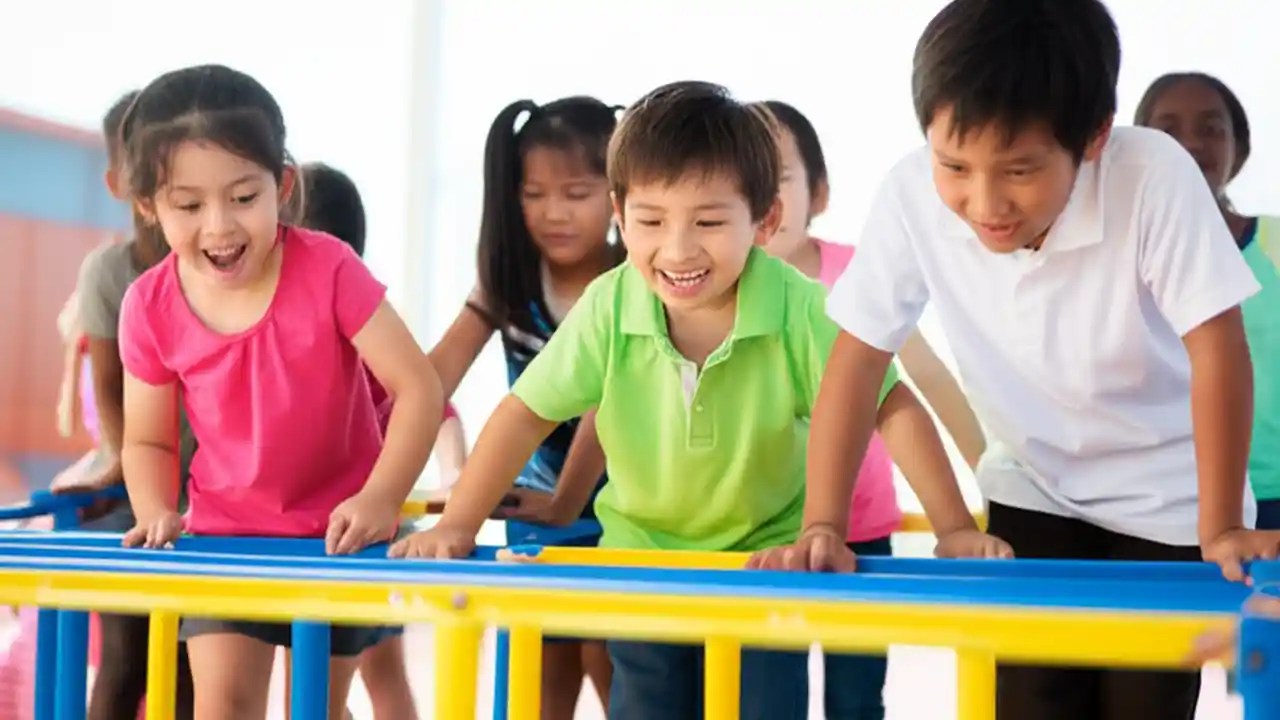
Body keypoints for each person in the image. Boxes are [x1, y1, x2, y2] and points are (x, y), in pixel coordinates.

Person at [391, 80, 1008, 720]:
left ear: (764, 220)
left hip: (766, 566)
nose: (678, 249)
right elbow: (524, 413)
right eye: (651, 221)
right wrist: (458, 524)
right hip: (641, 564)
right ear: (620, 213)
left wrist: (955, 528)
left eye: (709, 222)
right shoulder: (610, 305)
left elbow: (890, 405)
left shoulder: (800, 307)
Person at [756, 1, 1280, 718]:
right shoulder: (911, 194)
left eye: (1020, 169)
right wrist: (823, 522)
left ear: (1093, 138)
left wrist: (1219, 524)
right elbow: (857, 360)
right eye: (954, 165)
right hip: (1035, 484)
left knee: (1141, 702)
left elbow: (1217, 345)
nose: (985, 201)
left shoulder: (1152, 175)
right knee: (1031, 698)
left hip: (1169, 497)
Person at [116, 64, 443, 719]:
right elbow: (148, 440)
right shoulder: (148, 306)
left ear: (282, 186)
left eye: (243, 197)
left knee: (314, 707)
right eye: (189, 206)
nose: (220, 227)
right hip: (224, 539)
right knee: (223, 706)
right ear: (149, 206)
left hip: (338, 540)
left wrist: (380, 498)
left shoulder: (329, 268)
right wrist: (154, 509)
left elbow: (419, 389)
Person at [759, 98, 987, 720]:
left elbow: (924, 375)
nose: (763, 199)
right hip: (769, 528)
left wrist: (986, 469)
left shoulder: (854, 270)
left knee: (857, 692)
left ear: (819, 192)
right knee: (768, 690)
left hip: (861, 521)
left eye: (777, 177)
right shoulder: (720, 289)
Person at [425, 96, 623, 718]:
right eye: (533, 194)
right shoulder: (507, 282)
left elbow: (605, 407)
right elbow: (429, 382)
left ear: (618, 196)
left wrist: (567, 500)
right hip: (536, 509)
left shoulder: (632, 281)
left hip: (625, 510)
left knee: (612, 661)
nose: (553, 213)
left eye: (575, 193)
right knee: (541, 673)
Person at [52, 89, 198, 720]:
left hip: (208, 487)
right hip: (138, 478)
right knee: (125, 658)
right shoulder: (111, 273)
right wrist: (122, 466)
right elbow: (109, 388)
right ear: (121, 182)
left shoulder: (213, 260)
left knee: (191, 660)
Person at [1134, 73, 1280, 531]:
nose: (1191, 144)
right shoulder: (1124, 256)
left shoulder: (1275, 242)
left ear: (1240, 149)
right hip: (1168, 501)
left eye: (1211, 129)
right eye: (1168, 131)